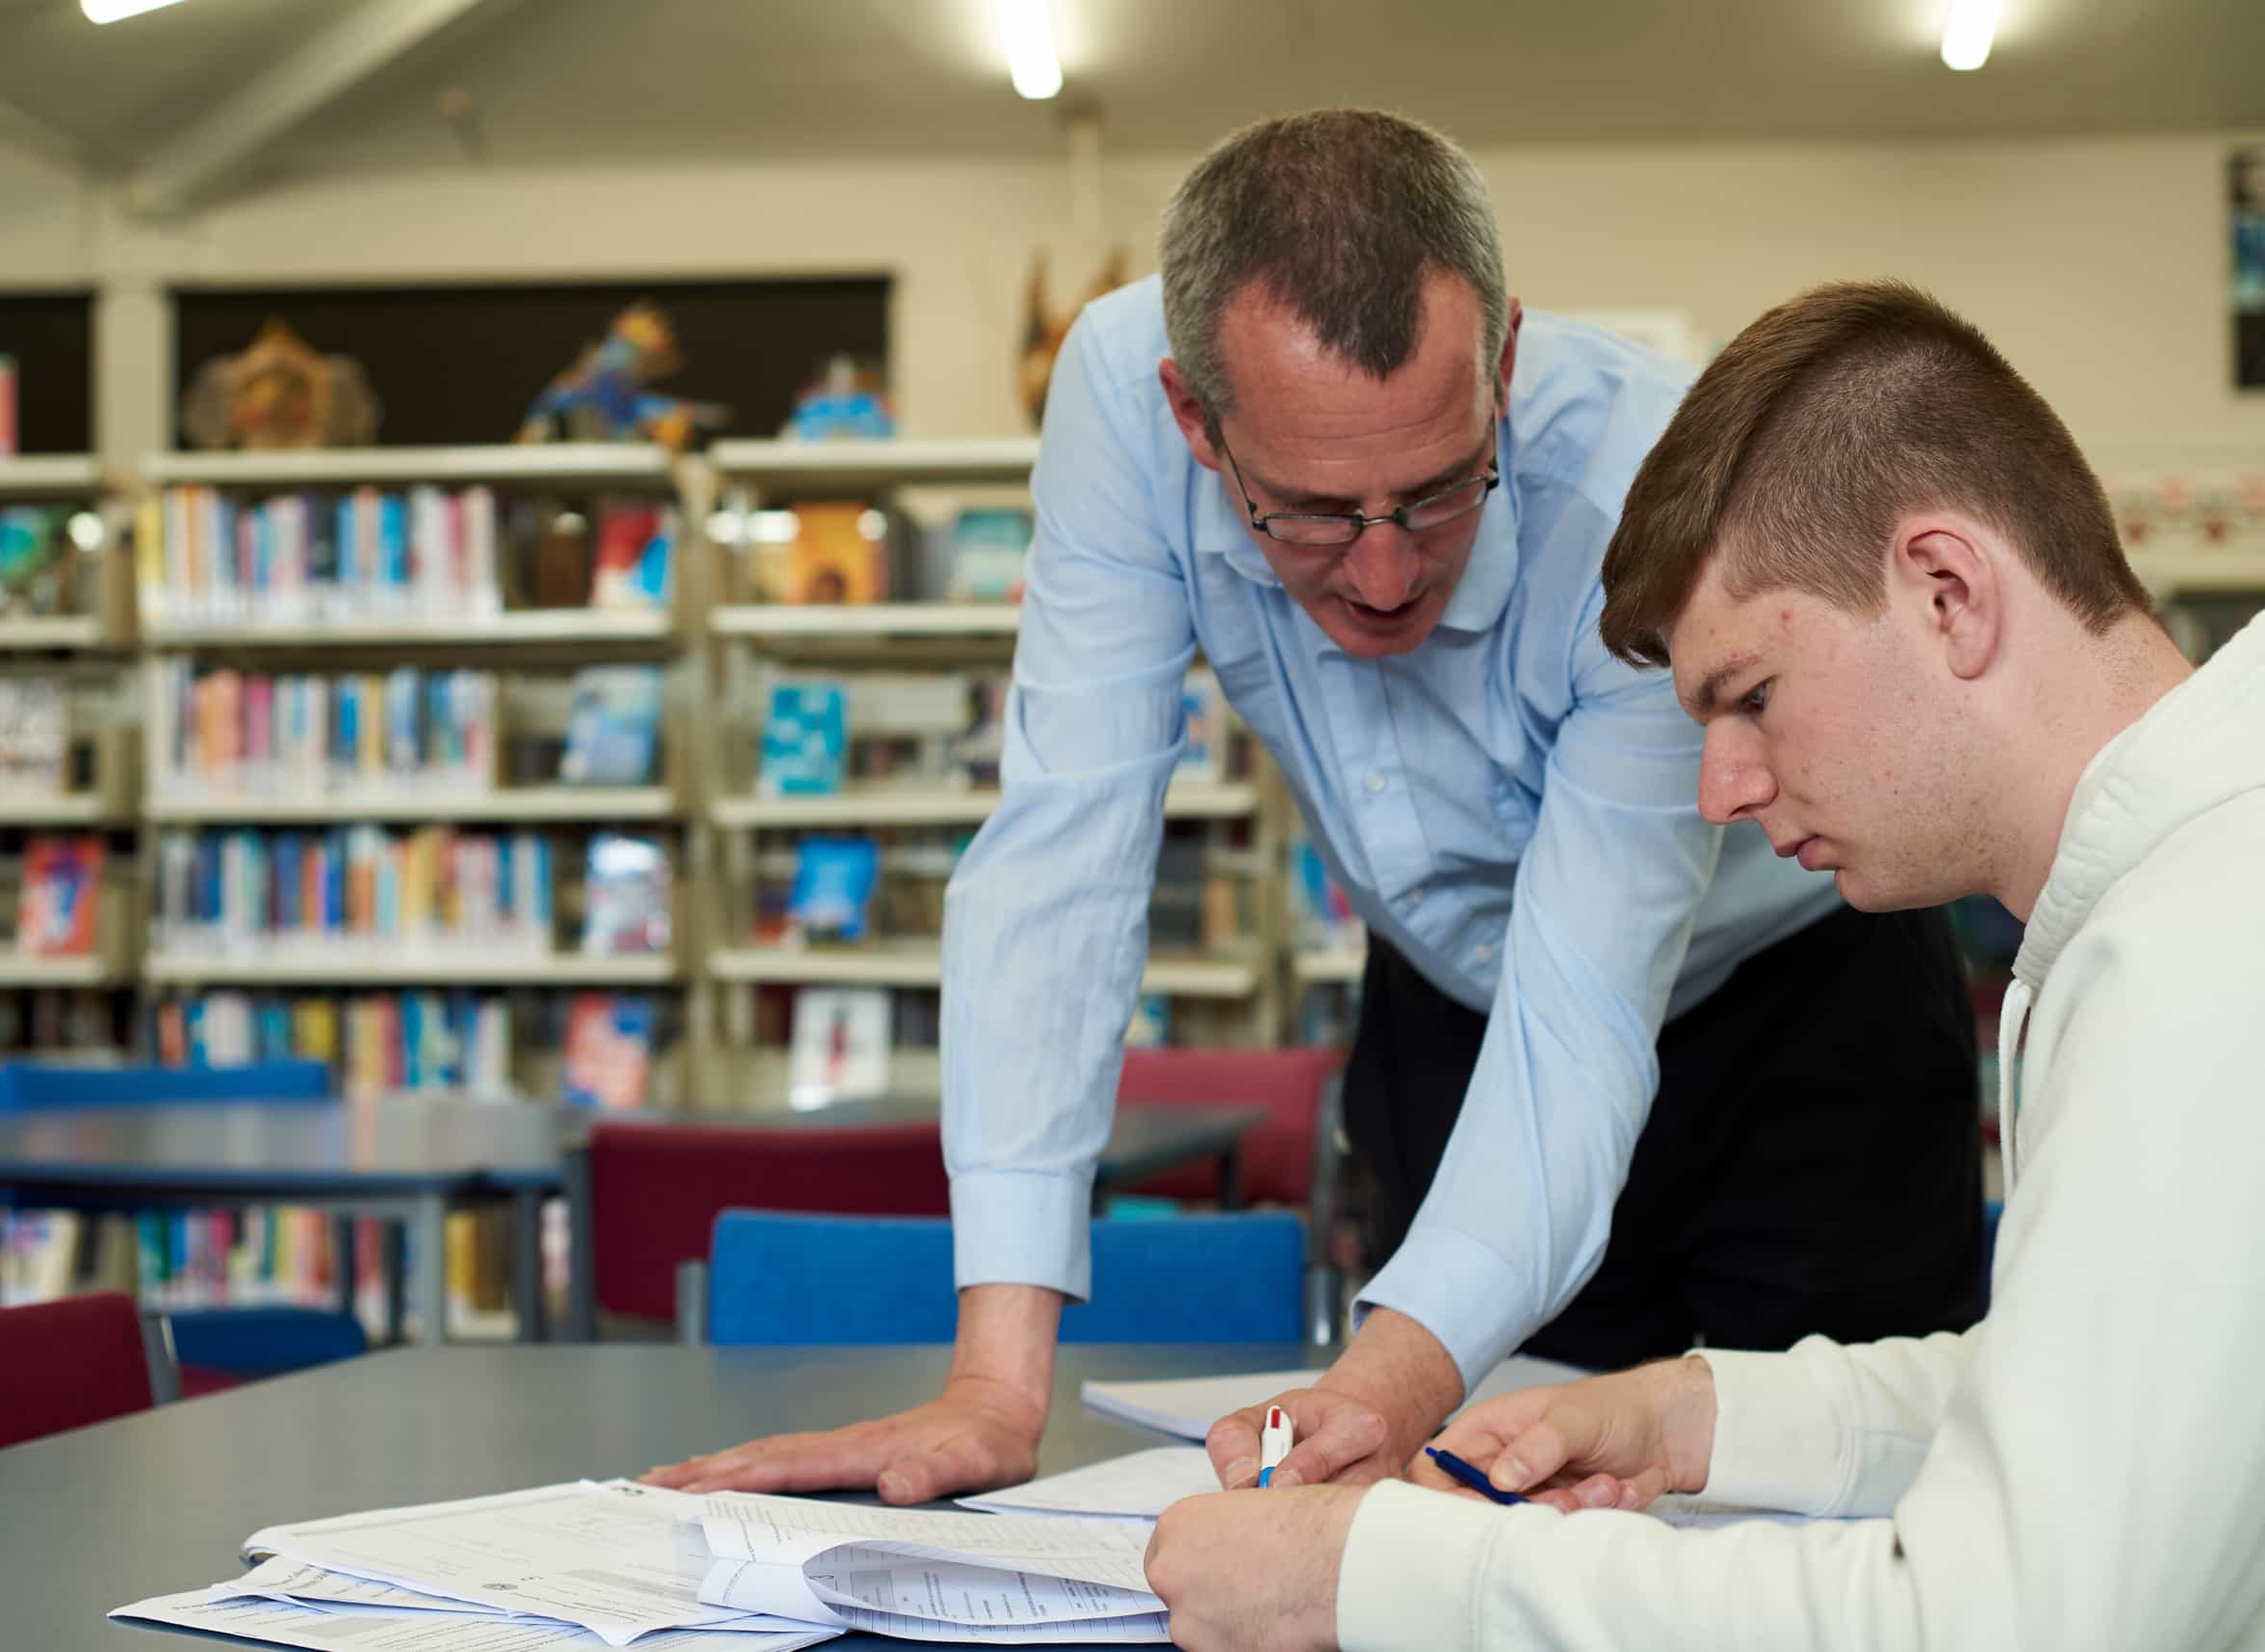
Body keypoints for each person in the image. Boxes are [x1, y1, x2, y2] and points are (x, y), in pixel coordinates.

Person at [644, 111, 1984, 1507]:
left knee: (1826, 1514)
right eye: (1315, 513)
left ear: (1504, 363)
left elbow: (1581, 1011)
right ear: (1194, 417)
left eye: (1440, 490)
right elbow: (1063, 859)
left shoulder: (1652, 485)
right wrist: (995, 1382)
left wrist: (1368, 1391)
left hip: (1799, 1011)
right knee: (1490, 1514)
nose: (1391, 574)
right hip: (1447, 1008)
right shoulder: (1117, 402)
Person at [1143, 277, 2265, 1651]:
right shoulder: (2184, 892)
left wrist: (1383, 1579)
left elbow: (2005, 1621)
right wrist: (1694, 1410)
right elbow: (2107, 1411)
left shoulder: (2198, 961)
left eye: (1750, 697)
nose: (1718, 788)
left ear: (1948, 591)